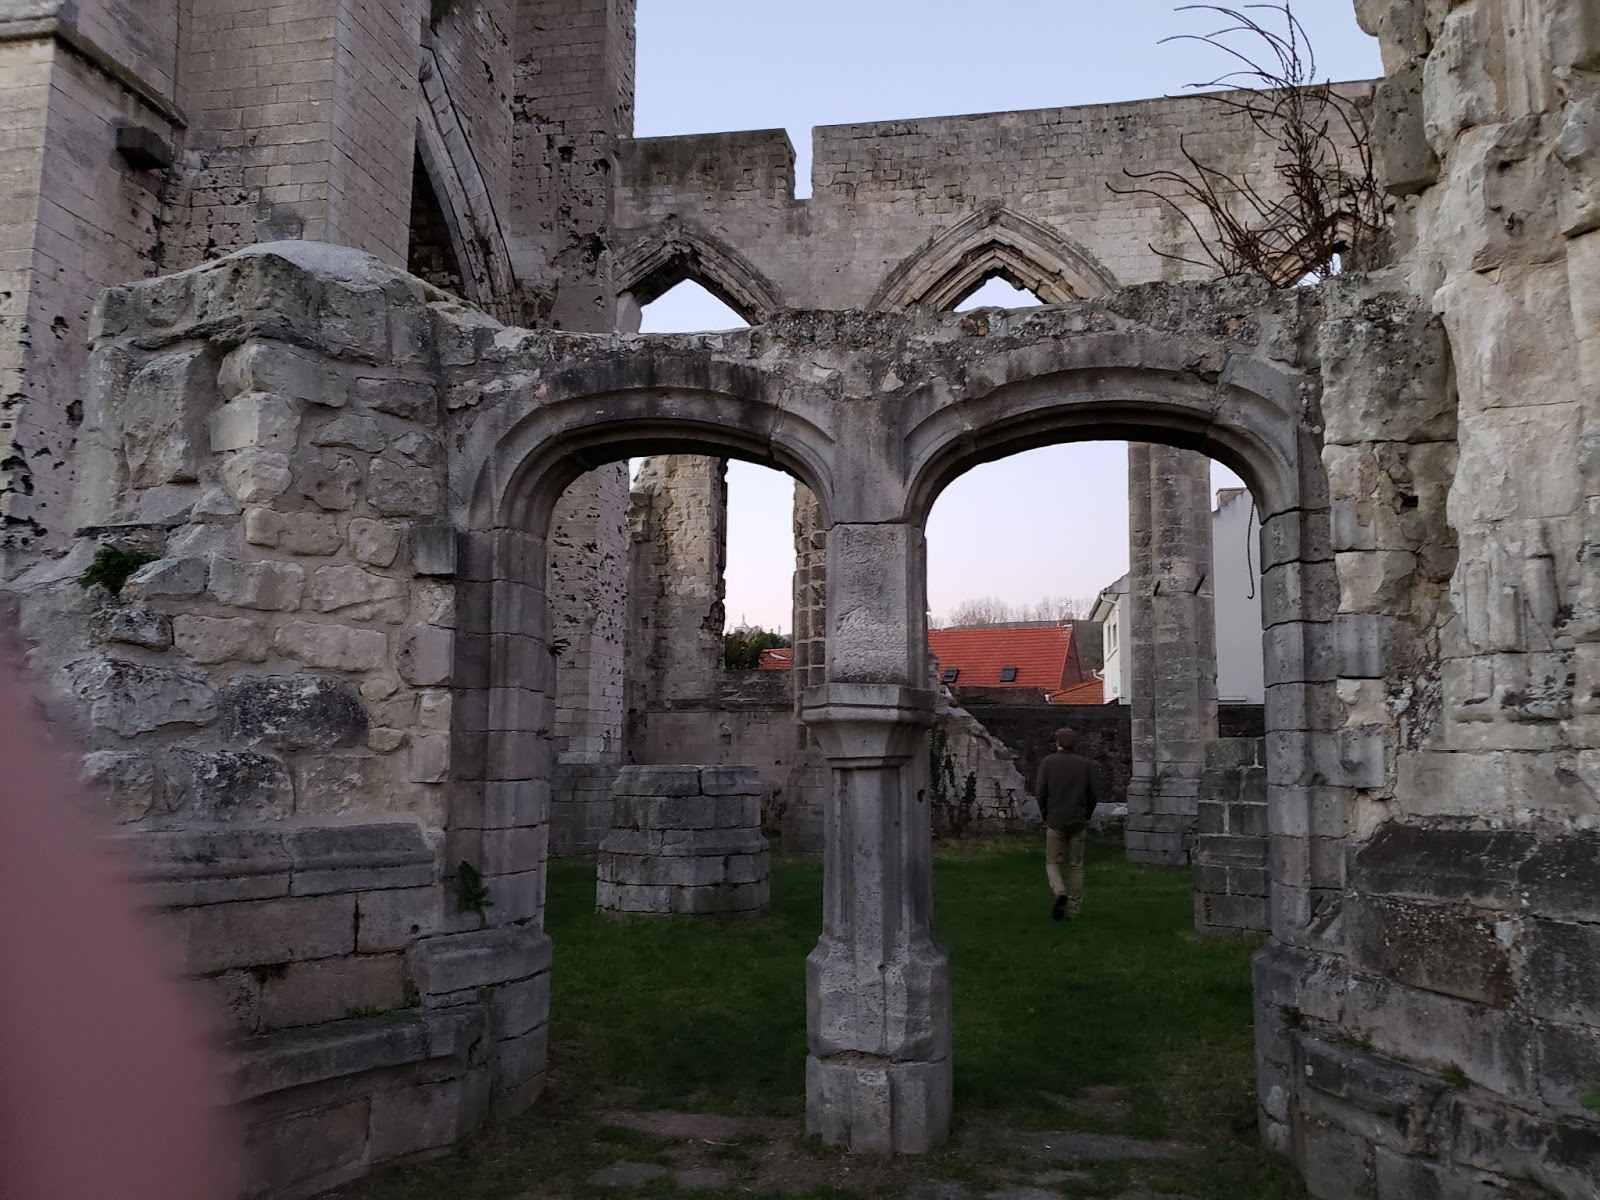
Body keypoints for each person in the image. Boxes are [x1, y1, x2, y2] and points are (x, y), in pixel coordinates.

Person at [1034, 726, 1101, 921]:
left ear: (1057, 743)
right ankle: (1074, 908)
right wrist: (1086, 814)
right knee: (1076, 865)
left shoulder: (1047, 762)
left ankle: (1059, 890)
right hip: (1077, 820)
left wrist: (1046, 813)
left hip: (1055, 819)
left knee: (1052, 862)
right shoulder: (1085, 764)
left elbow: (1040, 792)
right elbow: (1092, 795)